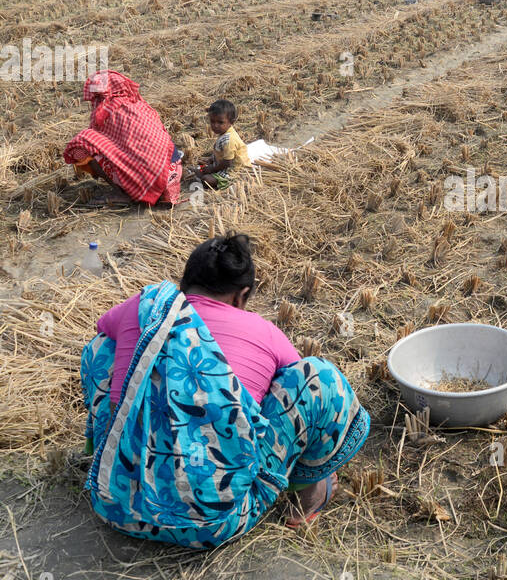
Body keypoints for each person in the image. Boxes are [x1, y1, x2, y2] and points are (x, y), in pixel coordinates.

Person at [80, 234, 369, 547]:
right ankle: (309, 492)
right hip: (216, 522)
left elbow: (103, 329)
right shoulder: (264, 331)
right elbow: (298, 388)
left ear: (184, 284)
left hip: (116, 506)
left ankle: (102, 454)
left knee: (102, 349)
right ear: (241, 295)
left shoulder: (146, 307)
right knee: (318, 379)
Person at [63, 70, 182, 206]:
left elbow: (101, 146)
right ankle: (156, 191)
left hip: (148, 177)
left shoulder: (105, 112)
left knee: (82, 142)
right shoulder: (141, 105)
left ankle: (122, 193)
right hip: (170, 171)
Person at [195, 99, 251, 189]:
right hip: (223, 166)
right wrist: (211, 159)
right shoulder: (224, 133)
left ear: (231, 122)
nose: (215, 125)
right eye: (212, 121)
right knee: (199, 169)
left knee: (206, 179)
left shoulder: (229, 140)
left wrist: (211, 169)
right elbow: (221, 152)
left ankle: (224, 183)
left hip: (234, 171)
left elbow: (227, 163)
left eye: (220, 122)